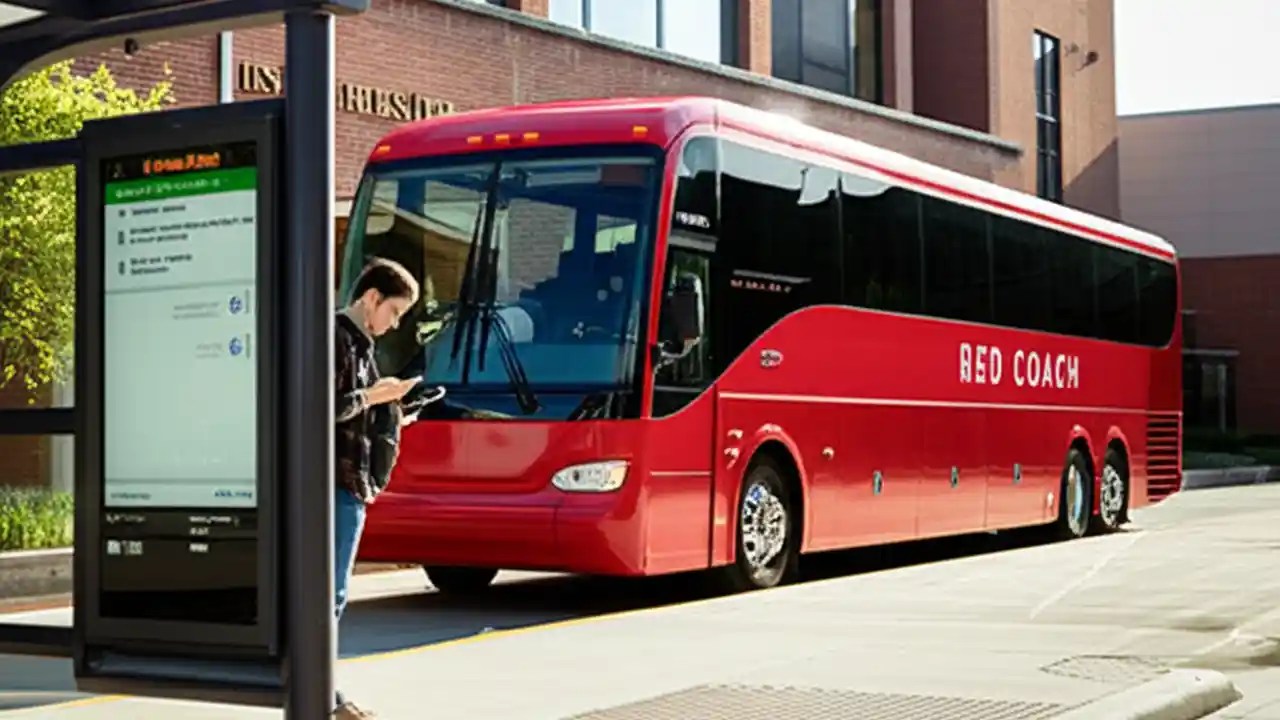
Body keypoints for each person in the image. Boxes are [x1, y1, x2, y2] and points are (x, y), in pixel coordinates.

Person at [332, 257, 421, 719]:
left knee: (330, 595)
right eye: (395, 311)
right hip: (335, 484)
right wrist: (375, 396)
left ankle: (323, 693)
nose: (395, 324)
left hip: (349, 484)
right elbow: (321, 406)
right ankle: (324, 696)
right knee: (329, 595)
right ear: (371, 298)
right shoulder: (336, 338)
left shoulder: (359, 344)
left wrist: (393, 413)